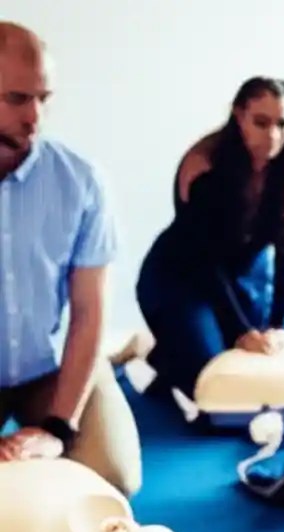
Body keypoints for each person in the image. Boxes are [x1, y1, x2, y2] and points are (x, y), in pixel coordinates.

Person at [0, 22, 141, 496]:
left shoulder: (81, 180)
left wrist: (58, 428)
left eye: (44, 97)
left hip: (51, 366)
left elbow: (89, 312)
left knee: (114, 477)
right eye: (17, 99)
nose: (34, 117)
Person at [136, 77, 284, 401]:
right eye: (260, 122)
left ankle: (179, 347)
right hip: (180, 278)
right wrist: (241, 331)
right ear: (238, 115)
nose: (273, 135)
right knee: (211, 374)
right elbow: (205, 260)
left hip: (239, 278)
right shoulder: (204, 167)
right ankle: (169, 355)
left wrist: (277, 324)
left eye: (282, 124)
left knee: (273, 344)